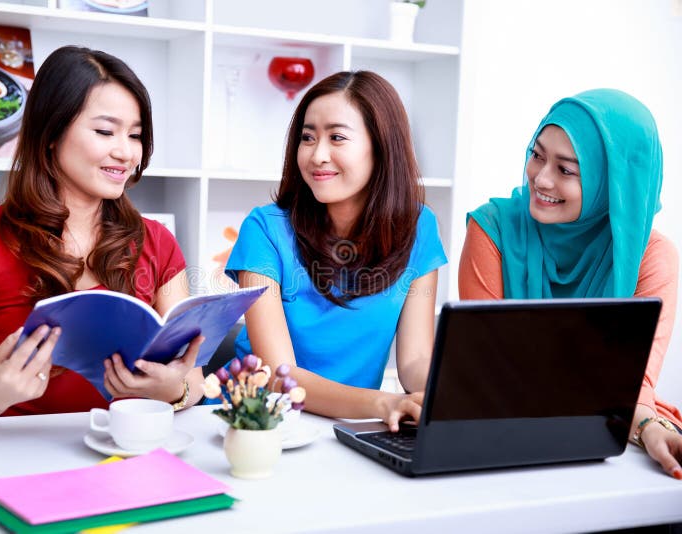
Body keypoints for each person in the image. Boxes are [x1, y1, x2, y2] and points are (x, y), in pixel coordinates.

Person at [0, 46, 204, 422]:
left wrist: (175, 389)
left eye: (136, 135)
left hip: (124, 450)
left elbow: (193, 379)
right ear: (51, 133)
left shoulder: (156, 241)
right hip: (16, 456)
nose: (126, 153)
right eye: (105, 131)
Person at [459, 88, 682, 479]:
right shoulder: (493, 228)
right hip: (504, 432)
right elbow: (488, 371)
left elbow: (634, 380)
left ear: (613, 184)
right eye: (537, 155)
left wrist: (648, 428)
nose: (540, 179)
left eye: (566, 170)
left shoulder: (651, 256)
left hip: (603, 432)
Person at [225, 71, 447, 430]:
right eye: (308, 138)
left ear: (381, 146)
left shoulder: (418, 228)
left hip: (350, 427)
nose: (317, 155)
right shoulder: (264, 229)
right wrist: (385, 402)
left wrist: (446, 394)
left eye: (337, 138)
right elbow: (281, 377)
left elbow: (415, 359)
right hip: (256, 423)